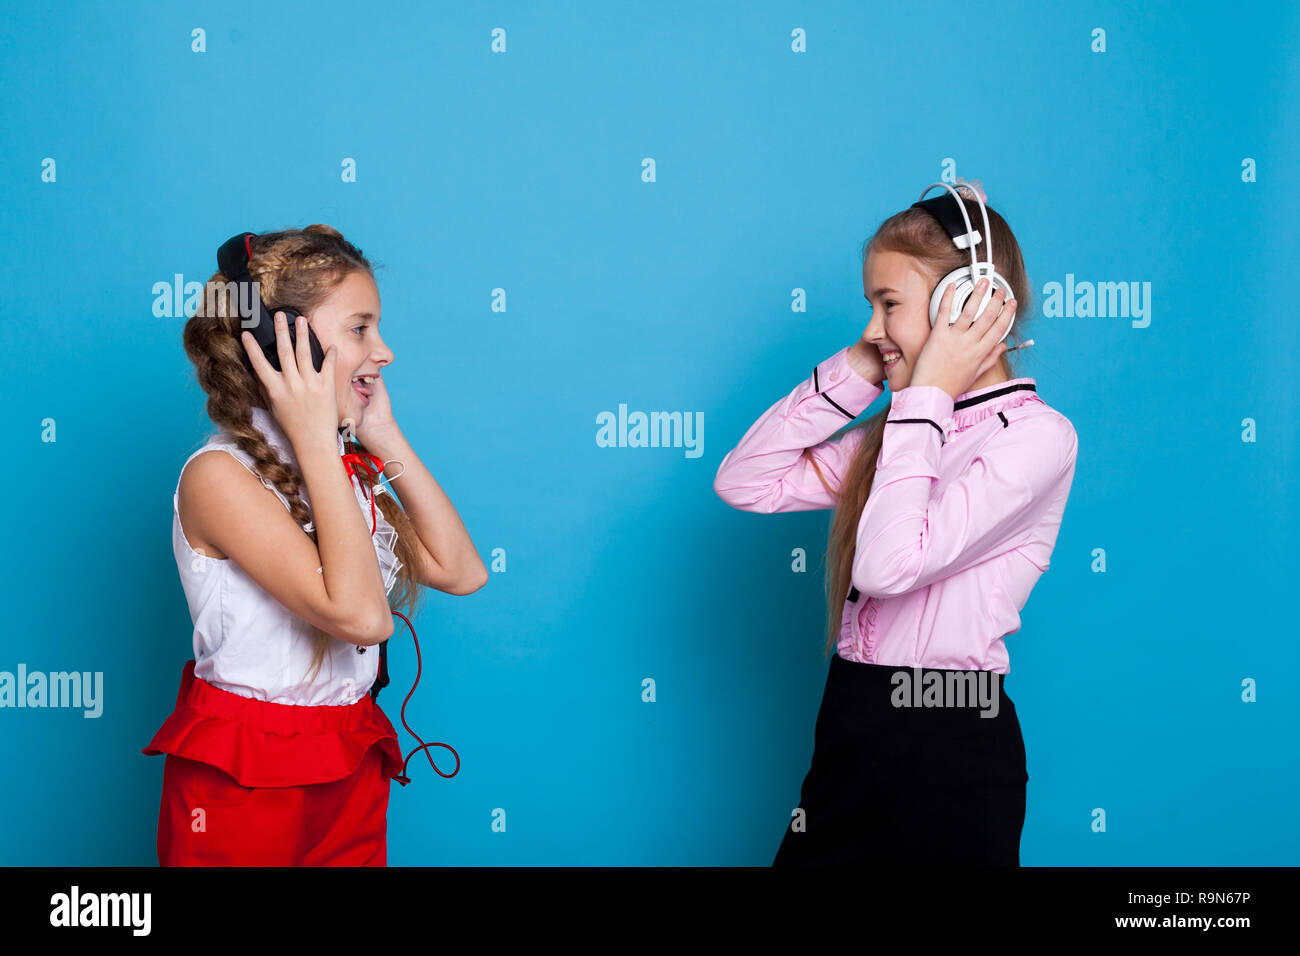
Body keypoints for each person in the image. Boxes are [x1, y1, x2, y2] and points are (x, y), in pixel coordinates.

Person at [713, 181, 1078, 866]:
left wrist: (929, 390)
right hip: (853, 720)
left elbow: (887, 567)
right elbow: (744, 482)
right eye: (869, 306)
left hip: (950, 741)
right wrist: (858, 370)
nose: (873, 328)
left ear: (962, 306)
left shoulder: (1035, 439)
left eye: (888, 305)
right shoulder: (894, 434)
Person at [142, 225, 488, 865]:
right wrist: (312, 436)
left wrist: (380, 433)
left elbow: (462, 571)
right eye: (360, 328)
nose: (383, 352)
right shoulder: (219, 477)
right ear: (281, 344)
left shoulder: (341, 462)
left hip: (348, 754)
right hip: (246, 773)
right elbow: (361, 616)